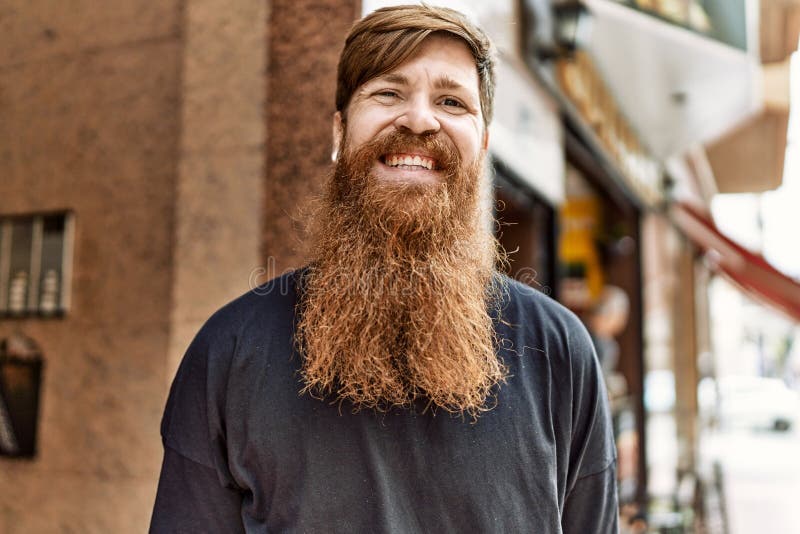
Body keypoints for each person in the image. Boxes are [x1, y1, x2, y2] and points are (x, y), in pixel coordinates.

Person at [150, 5, 618, 533]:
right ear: (339, 131)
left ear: (483, 143)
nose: (420, 119)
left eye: (451, 101)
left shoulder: (561, 352)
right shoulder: (229, 352)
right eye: (388, 93)